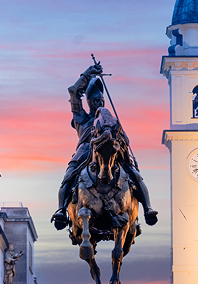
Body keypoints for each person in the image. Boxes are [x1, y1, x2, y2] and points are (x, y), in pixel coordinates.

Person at [51, 62, 158, 230]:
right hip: (85, 151)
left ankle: (148, 208)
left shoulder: (110, 120)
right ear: (89, 102)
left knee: (134, 174)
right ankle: (61, 210)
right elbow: (73, 91)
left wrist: (118, 135)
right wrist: (87, 74)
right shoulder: (82, 118)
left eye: (101, 100)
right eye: (95, 100)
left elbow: (126, 140)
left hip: (110, 150)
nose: (99, 103)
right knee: (68, 176)